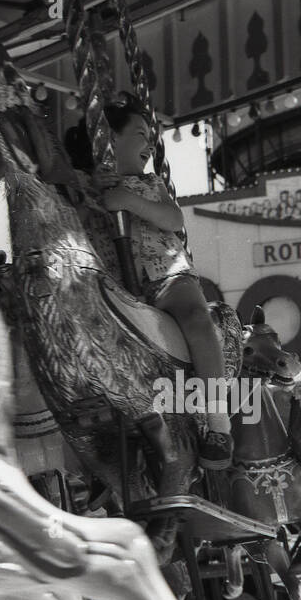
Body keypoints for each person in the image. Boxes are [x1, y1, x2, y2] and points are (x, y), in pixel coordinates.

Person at [64, 94, 233, 469]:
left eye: (151, 136)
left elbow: (174, 221)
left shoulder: (147, 183)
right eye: (140, 134)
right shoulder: (83, 185)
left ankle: (218, 421)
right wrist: (94, 191)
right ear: (108, 139)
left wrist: (128, 198)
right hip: (115, 290)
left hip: (166, 277)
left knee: (197, 321)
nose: (149, 144)